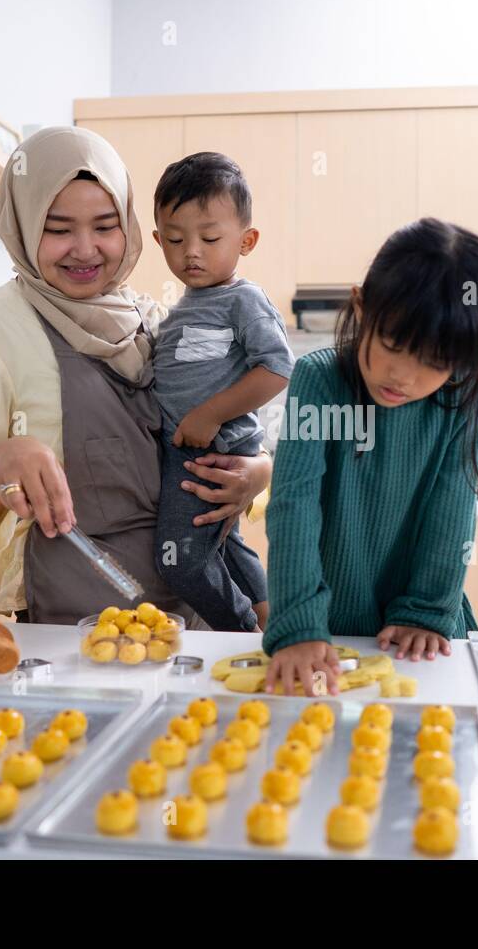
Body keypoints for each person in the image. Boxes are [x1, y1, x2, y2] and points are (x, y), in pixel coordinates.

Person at [0, 127, 271, 625]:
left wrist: (259, 474)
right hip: (74, 632)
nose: (85, 249)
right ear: (21, 225)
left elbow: (235, 424)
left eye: (105, 226)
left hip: (193, 623)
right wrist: (0, 462)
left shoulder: (156, 320)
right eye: (58, 229)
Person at [262, 217, 478, 696]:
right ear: (362, 306)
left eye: (435, 363)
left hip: (424, 633)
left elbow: (451, 511)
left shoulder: (461, 398)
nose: (405, 378)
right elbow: (294, 507)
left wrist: (425, 612)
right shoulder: (320, 381)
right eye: (393, 346)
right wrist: (298, 625)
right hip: (325, 635)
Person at [149, 152, 294, 631]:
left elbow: (277, 368)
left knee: (181, 563)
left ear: (246, 241)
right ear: (157, 240)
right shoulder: (185, 307)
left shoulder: (243, 299)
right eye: (174, 239)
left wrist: (210, 415)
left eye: (210, 238)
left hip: (211, 450)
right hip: (192, 447)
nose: (191, 251)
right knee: (226, 545)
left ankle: (240, 632)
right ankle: (270, 622)